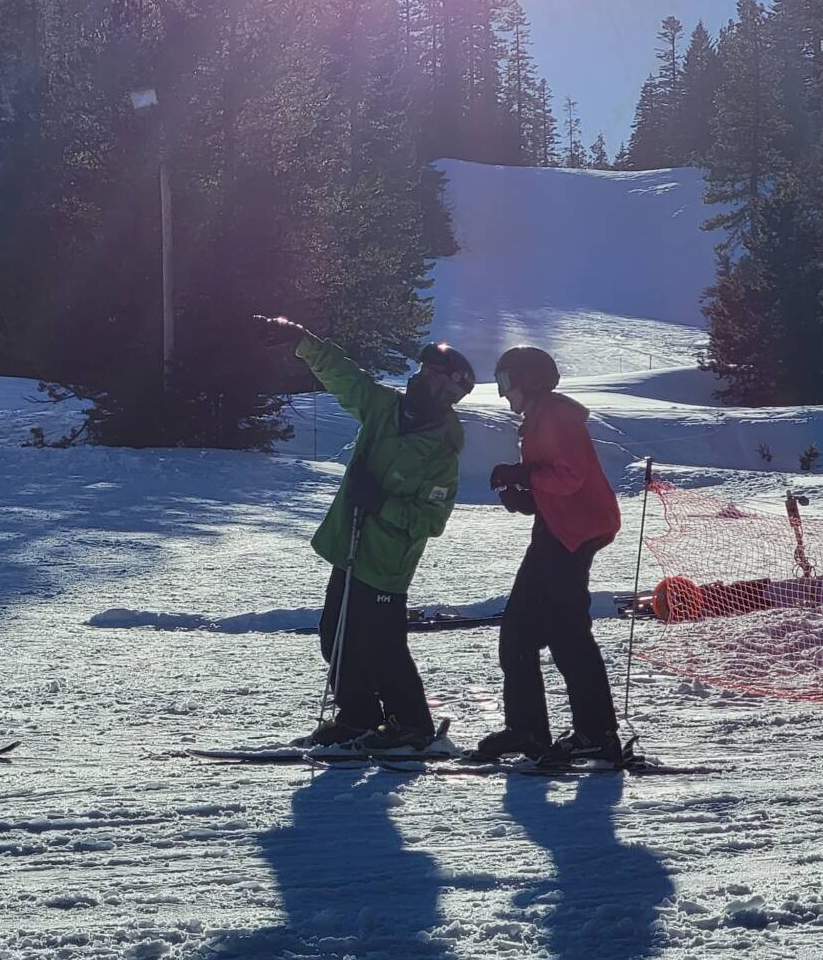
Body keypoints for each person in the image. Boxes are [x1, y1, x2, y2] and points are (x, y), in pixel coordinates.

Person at [255, 316, 472, 751]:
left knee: (383, 646)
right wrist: (302, 338)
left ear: (450, 391)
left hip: (387, 561)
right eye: (422, 369)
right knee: (335, 632)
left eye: (432, 375)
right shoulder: (385, 408)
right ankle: (359, 717)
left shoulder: (442, 452)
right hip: (350, 545)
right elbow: (346, 377)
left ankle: (413, 725)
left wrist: (382, 503)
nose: (420, 377)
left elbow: (432, 520)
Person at [479, 346, 623, 766]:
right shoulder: (539, 418)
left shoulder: (556, 416)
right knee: (519, 634)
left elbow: (570, 476)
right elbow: (554, 483)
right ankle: (528, 729)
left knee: (567, 636)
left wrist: (522, 477)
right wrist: (526, 497)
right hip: (557, 531)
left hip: (571, 537)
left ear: (530, 380)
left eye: (506, 382)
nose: (504, 393)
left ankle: (596, 734)